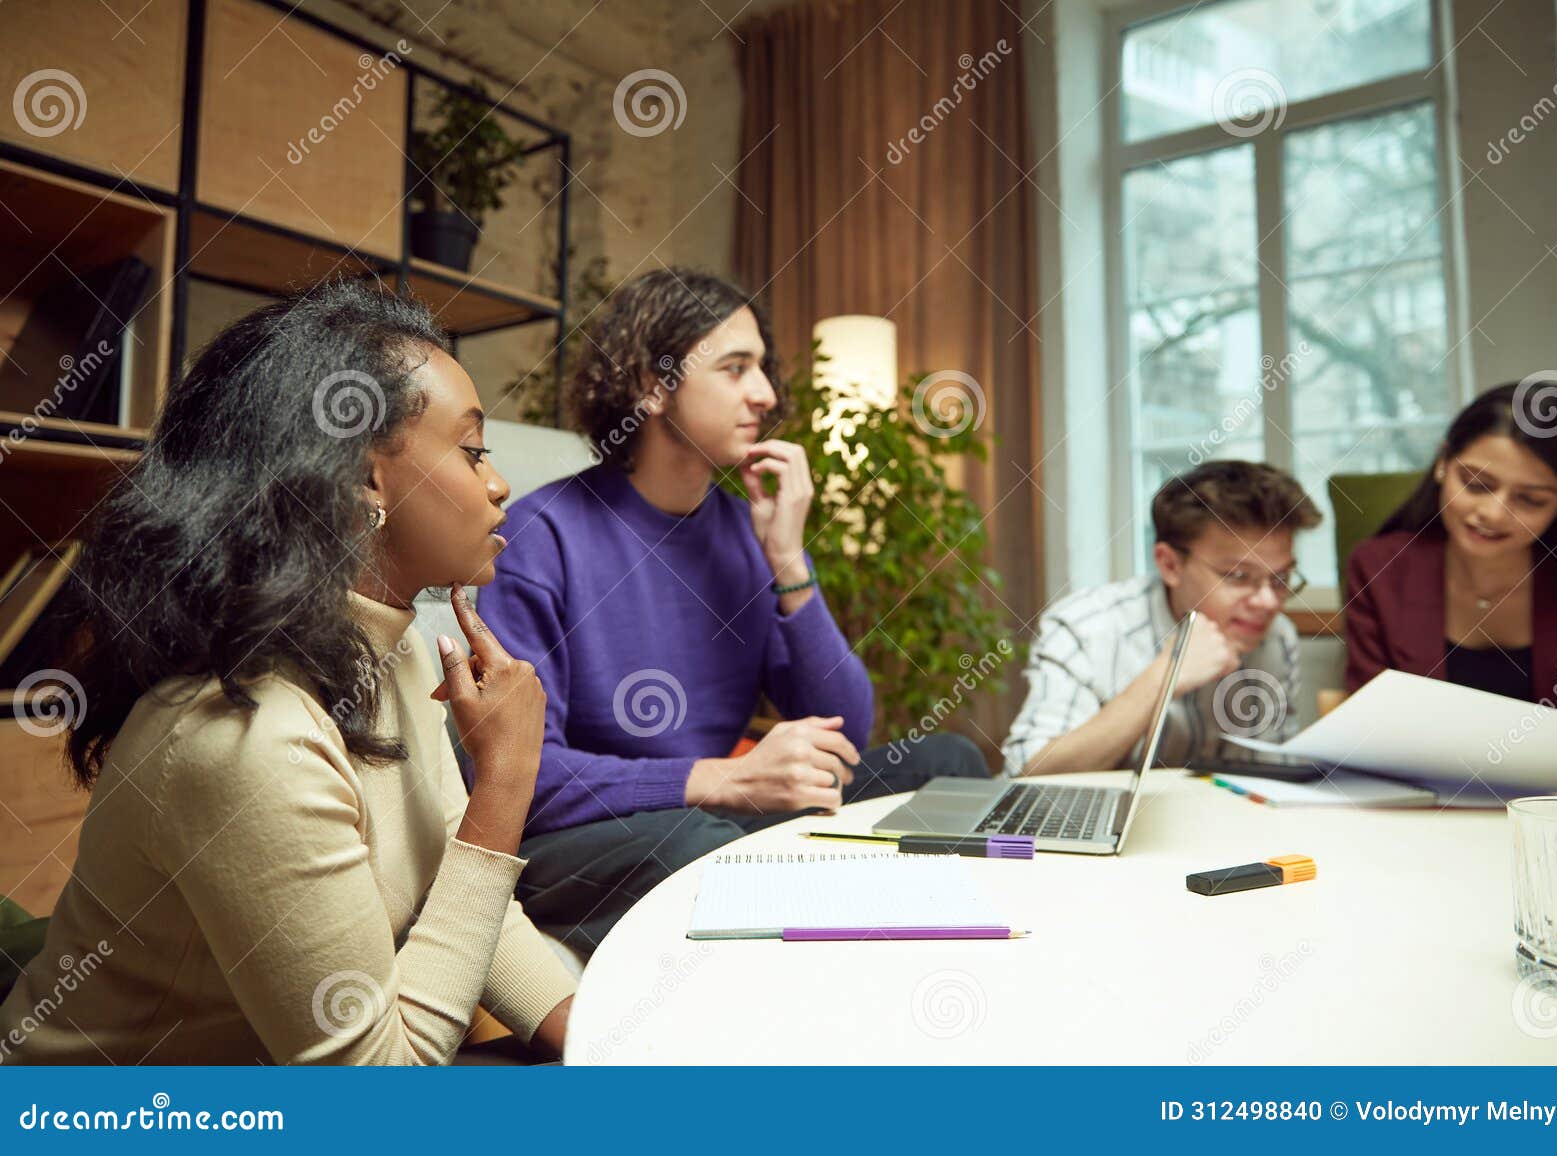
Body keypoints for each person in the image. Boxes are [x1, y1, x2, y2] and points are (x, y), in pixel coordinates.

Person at [0, 283, 575, 1064]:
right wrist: (506, 783)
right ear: (365, 481)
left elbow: (464, 892)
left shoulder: (390, 652)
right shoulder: (247, 735)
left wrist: (607, 1037)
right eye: (473, 451)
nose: (498, 484)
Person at [475, 267, 990, 953]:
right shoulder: (543, 536)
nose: (766, 394)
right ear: (650, 387)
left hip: (713, 816)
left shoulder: (746, 533)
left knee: (948, 761)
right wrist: (721, 778)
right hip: (584, 845)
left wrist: (788, 561)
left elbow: (847, 730)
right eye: (736, 369)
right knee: (702, 842)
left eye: (762, 368)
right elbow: (524, 777)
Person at [1343, 378, 1557, 797]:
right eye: (1477, 484)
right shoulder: (1381, 567)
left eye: (1531, 500)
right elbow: (1369, 725)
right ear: (1444, 462)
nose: (1494, 514)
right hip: (1422, 812)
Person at [1003, 460, 1323, 776]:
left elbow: (1271, 773)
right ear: (1170, 565)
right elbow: (1031, 771)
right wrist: (1165, 676)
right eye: (1239, 576)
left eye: (1281, 579)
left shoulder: (1276, 637)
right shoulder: (1085, 626)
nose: (1268, 602)